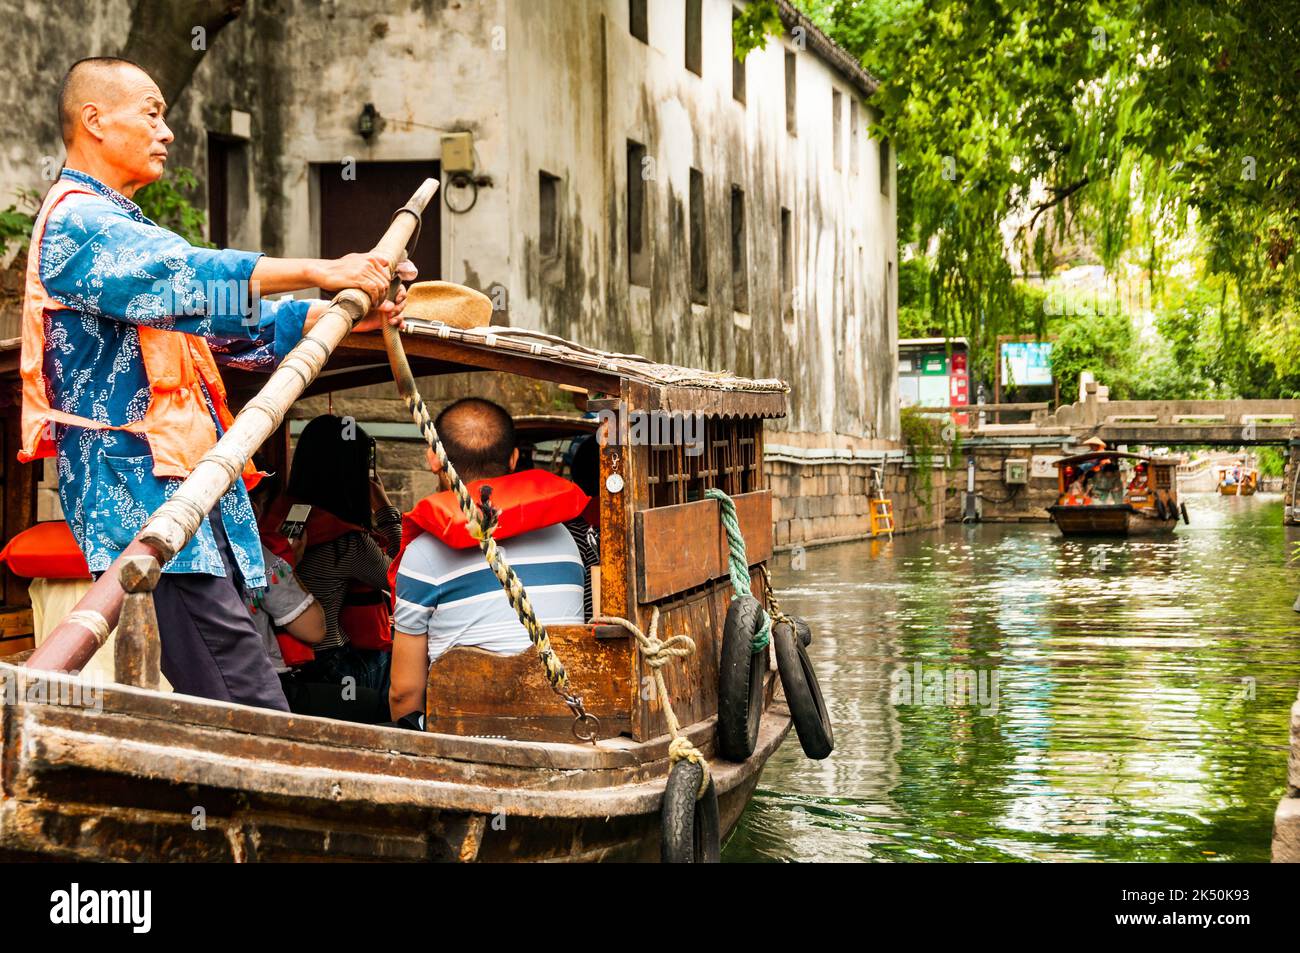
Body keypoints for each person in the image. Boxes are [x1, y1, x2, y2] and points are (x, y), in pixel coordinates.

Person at [19, 58, 415, 709]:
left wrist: (348, 304)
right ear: (95, 120)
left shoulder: (128, 224)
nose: (167, 131)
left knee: (237, 682)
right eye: (152, 112)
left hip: (189, 498)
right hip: (144, 506)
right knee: (243, 691)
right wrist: (324, 267)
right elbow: (185, 275)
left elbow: (237, 326)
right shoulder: (77, 221)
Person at [388, 398, 589, 723]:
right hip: (562, 727)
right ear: (513, 459)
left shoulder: (422, 555)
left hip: (463, 736)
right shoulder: (564, 538)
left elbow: (404, 694)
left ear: (432, 459)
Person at [262, 416, 403, 697]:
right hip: (330, 666)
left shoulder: (276, 517)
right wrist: (384, 508)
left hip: (281, 659)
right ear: (352, 475)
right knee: (413, 655)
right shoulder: (347, 542)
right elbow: (402, 575)